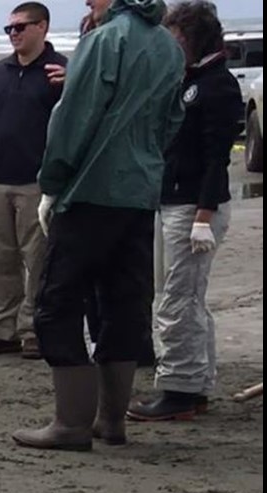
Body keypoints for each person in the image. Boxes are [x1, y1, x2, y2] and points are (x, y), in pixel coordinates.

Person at [13, 0, 184, 451]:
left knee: (56, 300)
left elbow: (75, 116)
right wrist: (146, 162)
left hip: (92, 189)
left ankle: (71, 424)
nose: (87, 2)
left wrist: (53, 182)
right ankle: (111, 420)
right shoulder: (168, 44)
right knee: (123, 302)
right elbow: (173, 119)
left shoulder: (105, 39)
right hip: (139, 191)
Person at [127, 0, 245, 421]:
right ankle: (196, 381)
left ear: (194, 39)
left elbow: (217, 157)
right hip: (172, 198)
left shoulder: (217, 86)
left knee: (178, 300)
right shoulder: (185, 80)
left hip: (195, 206)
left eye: (177, 39)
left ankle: (179, 386)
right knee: (184, 297)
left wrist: (203, 216)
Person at [0, 3, 67, 359]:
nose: (15, 34)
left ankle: (34, 331)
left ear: (43, 27)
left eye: (21, 27)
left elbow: (77, 123)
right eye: (9, 29)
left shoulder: (61, 72)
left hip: (38, 186)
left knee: (38, 261)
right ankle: (4, 330)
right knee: (0, 260)